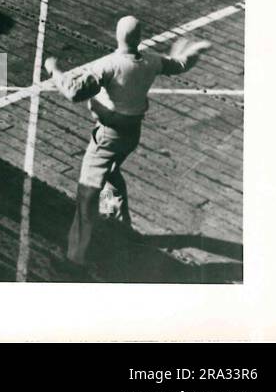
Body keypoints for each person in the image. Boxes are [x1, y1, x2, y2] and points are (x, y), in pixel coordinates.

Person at [45, 16, 211, 267]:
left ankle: (74, 258)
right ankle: (123, 225)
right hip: (132, 134)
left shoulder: (109, 65)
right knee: (112, 171)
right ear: (139, 37)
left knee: (87, 195)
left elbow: (73, 92)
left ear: (117, 35)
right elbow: (179, 64)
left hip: (108, 137)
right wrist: (195, 52)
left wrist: (54, 69)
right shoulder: (151, 60)